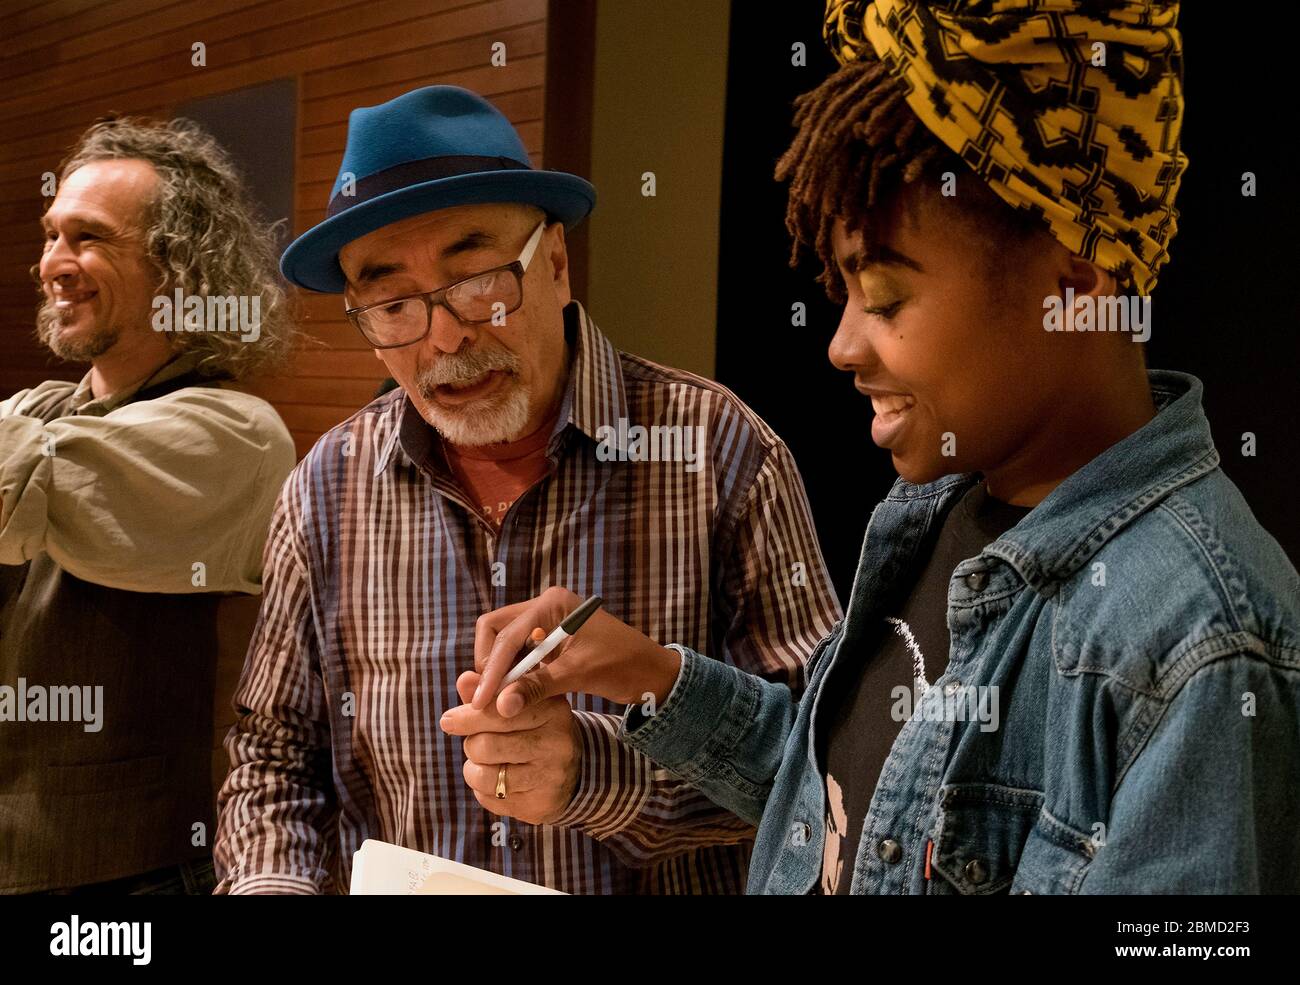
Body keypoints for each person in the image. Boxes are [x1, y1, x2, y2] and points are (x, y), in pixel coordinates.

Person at [463, 0, 1300, 893]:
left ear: (1074, 284)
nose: (843, 346)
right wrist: (650, 674)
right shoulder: (940, 510)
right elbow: (850, 797)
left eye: (887, 299)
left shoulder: (1200, 646)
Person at [213, 85, 839, 895]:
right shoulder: (324, 491)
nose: (444, 336)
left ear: (554, 263)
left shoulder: (718, 450)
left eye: (476, 278)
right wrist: (272, 885)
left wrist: (597, 772)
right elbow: (274, 756)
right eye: (394, 303)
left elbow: (825, 771)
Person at [0, 116, 297, 894]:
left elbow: (32, 482)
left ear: (179, 267)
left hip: (134, 869)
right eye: (51, 235)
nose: (53, 265)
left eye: (87, 238)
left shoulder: (235, 432)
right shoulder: (41, 409)